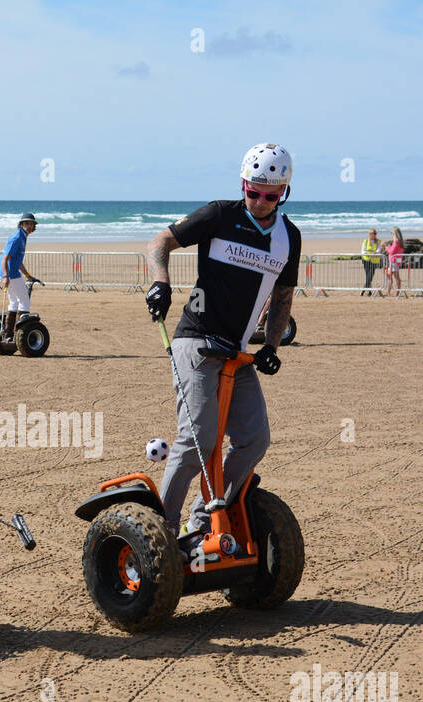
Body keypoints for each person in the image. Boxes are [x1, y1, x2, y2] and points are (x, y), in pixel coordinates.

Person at [144, 142, 302, 544]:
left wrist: (271, 347)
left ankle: (200, 520)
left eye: (272, 195)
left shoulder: (289, 238)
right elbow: (160, 242)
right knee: (199, 437)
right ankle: (160, 530)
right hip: (195, 341)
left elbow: (282, 296)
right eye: (254, 192)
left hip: (237, 352)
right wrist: (160, 282)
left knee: (254, 439)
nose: (262, 201)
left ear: (284, 192)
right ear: (243, 184)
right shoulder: (218, 215)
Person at [0, 213, 40, 340]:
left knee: (14, 302)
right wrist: (5, 276)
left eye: (31, 224)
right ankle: (20, 333)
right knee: (24, 301)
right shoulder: (16, 238)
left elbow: (18, 261)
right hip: (10, 274)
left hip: (11, 272)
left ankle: (9, 334)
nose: (29, 226)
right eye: (26, 224)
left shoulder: (23, 237)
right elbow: (5, 258)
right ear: (21, 225)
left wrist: (27, 275)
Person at [381, 227, 404, 297]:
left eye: (392, 234)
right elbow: (394, 250)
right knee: (390, 275)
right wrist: (389, 247)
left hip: (394, 261)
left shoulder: (397, 241)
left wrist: (387, 248)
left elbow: (392, 251)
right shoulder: (400, 242)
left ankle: (394, 292)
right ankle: (391, 292)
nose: (392, 236)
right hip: (395, 261)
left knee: (394, 277)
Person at [360, 228, 380, 296]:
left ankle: (363, 290)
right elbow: (362, 251)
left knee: (370, 276)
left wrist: (375, 252)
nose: (372, 235)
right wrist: (366, 253)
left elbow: (378, 250)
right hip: (366, 260)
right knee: (368, 277)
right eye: (370, 234)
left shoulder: (378, 242)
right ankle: (369, 291)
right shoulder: (365, 241)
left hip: (373, 261)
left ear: (375, 235)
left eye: (373, 234)